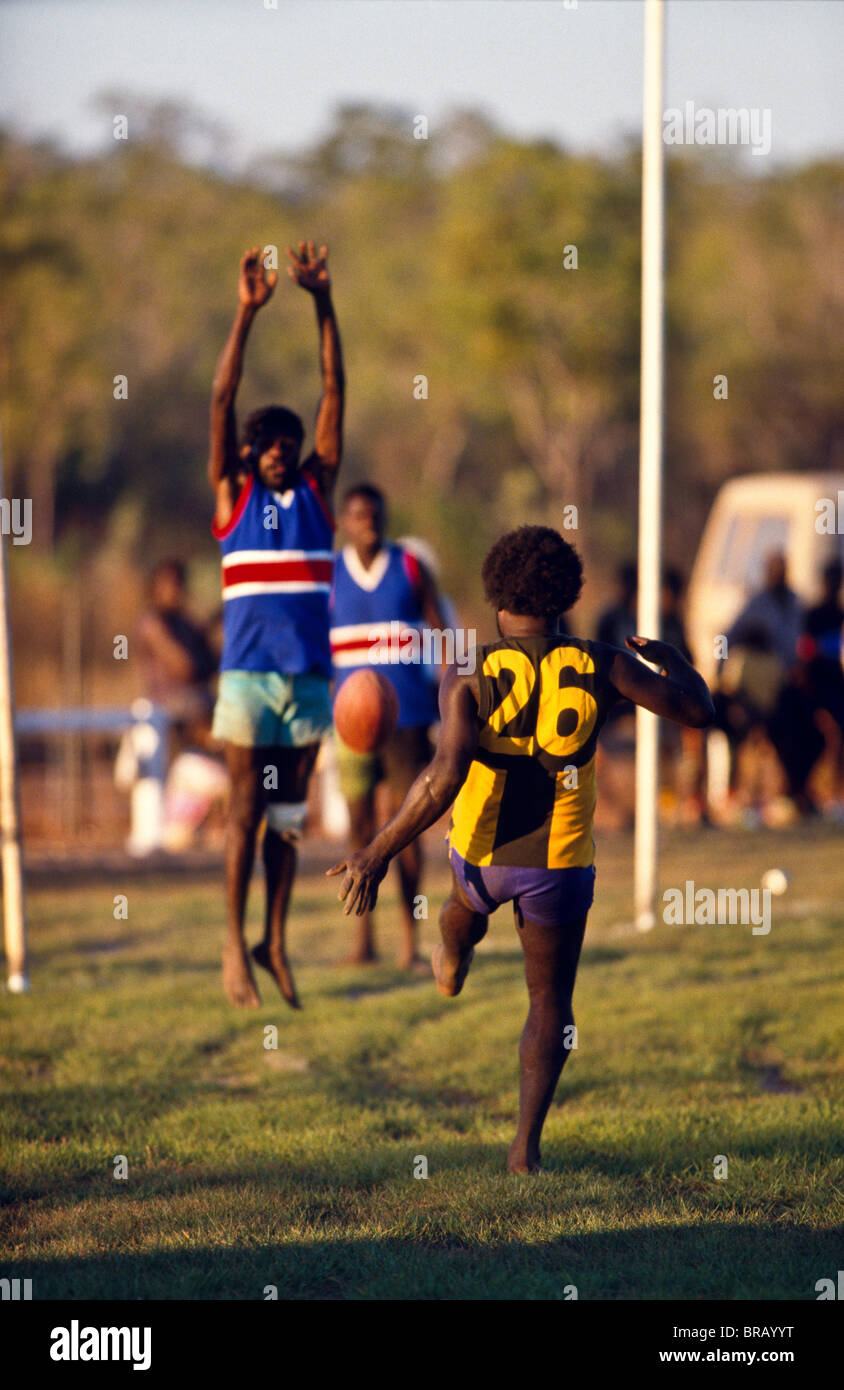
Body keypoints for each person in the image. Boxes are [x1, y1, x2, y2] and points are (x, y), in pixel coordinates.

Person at [328, 526, 714, 1173]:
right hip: (558, 866)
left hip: (481, 855)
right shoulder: (602, 663)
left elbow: (443, 777)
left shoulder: (471, 672)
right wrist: (672, 658)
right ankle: (524, 1151)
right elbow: (697, 711)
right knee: (550, 1004)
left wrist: (378, 849)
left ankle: (453, 946)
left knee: (461, 909)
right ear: (566, 595)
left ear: (496, 594)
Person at [209, 241, 344, 1009]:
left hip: (308, 681)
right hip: (247, 678)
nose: (282, 454)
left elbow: (335, 388)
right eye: (271, 446)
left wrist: (323, 301)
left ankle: (275, 940)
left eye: (291, 446)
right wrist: (247, 312)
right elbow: (220, 402)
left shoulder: (317, 492)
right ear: (252, 453)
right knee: (243, 812)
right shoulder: (231, 492)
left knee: (287, 821)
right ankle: (232, 944)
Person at [329, 484, 447, 968]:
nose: (367, 522)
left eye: (374, 514)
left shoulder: (410, 566)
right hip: (349, 722)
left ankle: (409, 943)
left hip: (408, 716)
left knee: (404, 827)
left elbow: (443, 628)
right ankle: (363, 941)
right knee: (358, 827)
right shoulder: (331, 574)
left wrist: (452, 688)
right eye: (358, 515)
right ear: (344, 521)